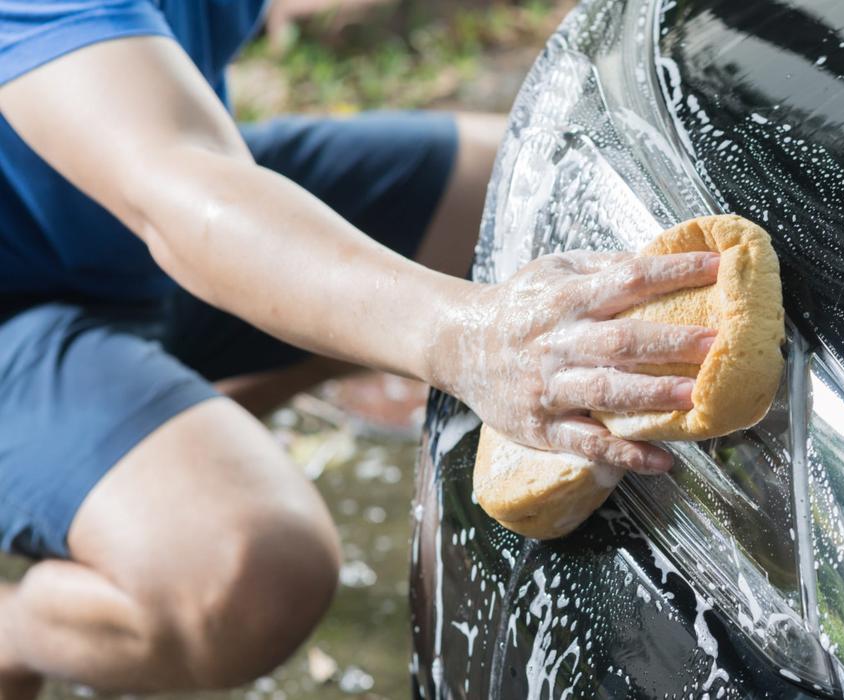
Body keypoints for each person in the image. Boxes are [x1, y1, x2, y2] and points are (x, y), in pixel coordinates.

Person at [0, 2, 719, 697]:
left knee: (542, 178)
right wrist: (471, 334)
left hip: (118, 207)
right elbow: (176, 191)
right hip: (72, 266)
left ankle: (174, 430)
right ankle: (14, 630)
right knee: (247, 576)